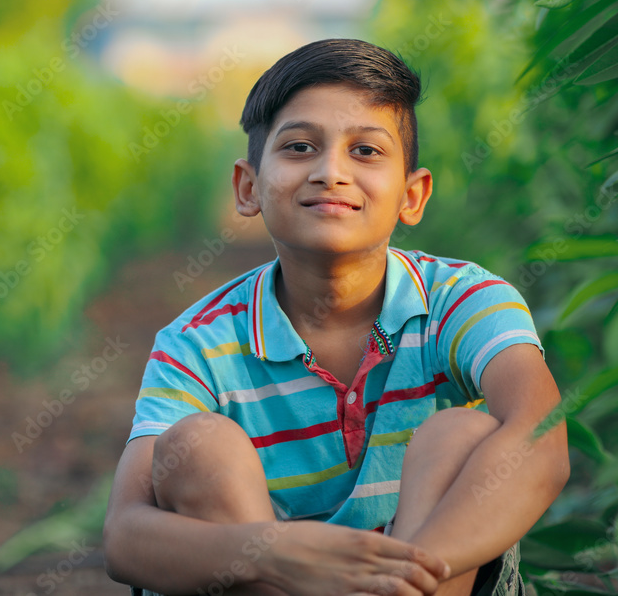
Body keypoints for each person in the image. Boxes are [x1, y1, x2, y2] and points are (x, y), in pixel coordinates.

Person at [102, 38, 570, 596]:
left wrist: (392, 578)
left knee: (462, 433)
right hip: (270, 581)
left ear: (411, 196)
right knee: (198, 446)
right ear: (247, 187)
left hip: (427, 582)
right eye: (299, 147)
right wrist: (273, 554)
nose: (331, 172)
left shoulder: (462, 301)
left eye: (367, 152)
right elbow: (125, 536)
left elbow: (541, 439)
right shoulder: (196, 345)